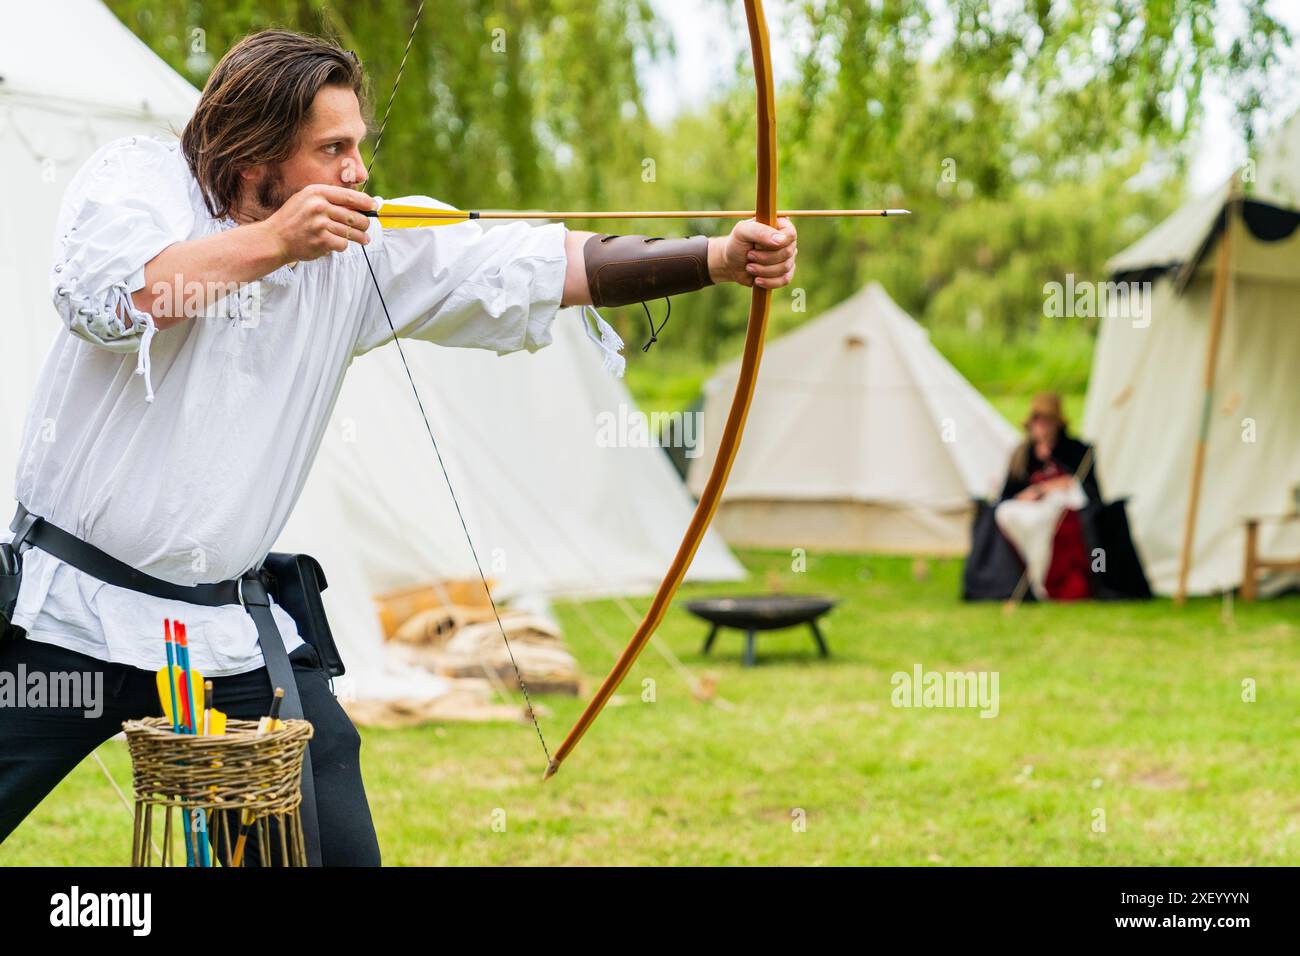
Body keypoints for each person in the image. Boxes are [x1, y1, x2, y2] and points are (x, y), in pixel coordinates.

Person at [0, 29, 797, 863]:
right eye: (333, 149)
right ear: (257, 153)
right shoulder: (143, 179)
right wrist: (276, 243)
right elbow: (109, 296)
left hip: (224, 635)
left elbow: (516, 263)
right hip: (68, 614)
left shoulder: (354, 253)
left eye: (359, 147)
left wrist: (714, 258)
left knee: (326, 849)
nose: (358, 172)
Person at [994, 393, 1101, 600]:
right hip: (1027, 514)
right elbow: (1007, 495)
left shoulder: (1077, 451)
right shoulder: (1022, 454)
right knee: (1008, 514)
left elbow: (1091, 493)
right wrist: (1029, 494)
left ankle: (1045, 582)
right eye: (1037, 421)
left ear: (1057, 424)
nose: (1042, 428)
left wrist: (1054, 475)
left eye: (1047, 422)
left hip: (1059, 514)